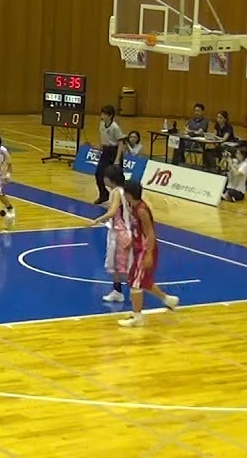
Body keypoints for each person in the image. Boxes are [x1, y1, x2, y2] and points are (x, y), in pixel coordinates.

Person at [118, 180, 180, 327]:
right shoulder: (133, 206)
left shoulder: (141, 210)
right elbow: (138, 231)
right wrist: (132, 243)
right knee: (142, 280)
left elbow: (150, 233)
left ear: (129, 194)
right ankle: (168, 299)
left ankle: (138, 317)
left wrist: (149, 254)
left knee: (135, 283)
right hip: (139, 248)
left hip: (145, 250)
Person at [90, 166, 130, 303]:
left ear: (109, 179)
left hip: (119, 232)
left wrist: (99, 219)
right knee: (124, 264)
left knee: (116, 264)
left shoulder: (115, 192)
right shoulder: (128, 190)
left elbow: (113, 211)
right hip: (128, 231)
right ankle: (119, 290)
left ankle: (120, 291)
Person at [93, 105, 124, 205]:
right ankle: (103, 194)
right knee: (99, 174)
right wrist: (100, 146)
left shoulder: (115, 127)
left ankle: (122, 198)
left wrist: (117, 159)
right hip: (106, 151)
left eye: (104, 114)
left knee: (118, 178)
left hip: (114, 151)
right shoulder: (102, 124)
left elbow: (120, 143)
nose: (102, 116)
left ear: (110, 116)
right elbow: (101, 135)